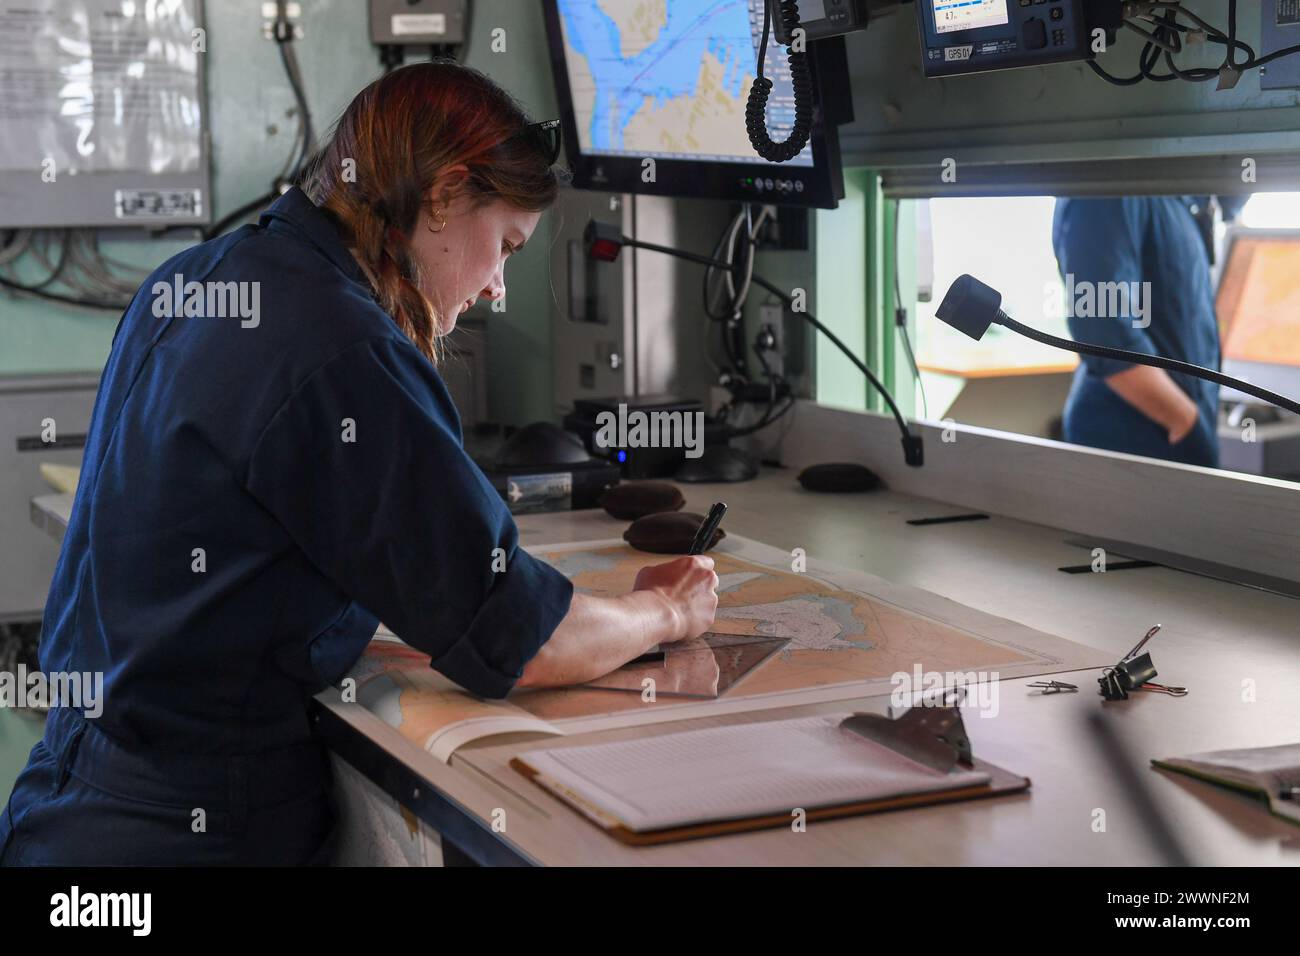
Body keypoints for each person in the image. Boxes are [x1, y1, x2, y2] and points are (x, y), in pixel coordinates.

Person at [0, 62, 718, 866]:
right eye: (504, 247)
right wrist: (669, 613)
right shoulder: (343, 346)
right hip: (189, 833)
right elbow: (522, 637)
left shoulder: (193, 278)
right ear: (444, 194)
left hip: (65, 809)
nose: (497, 288)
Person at [1051, 196, 1221, 467]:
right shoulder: (1111, 189)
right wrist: (1183, 420)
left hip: (1171, 428)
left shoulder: (1172, 195)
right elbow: (1104, 329)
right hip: (1136, 433)